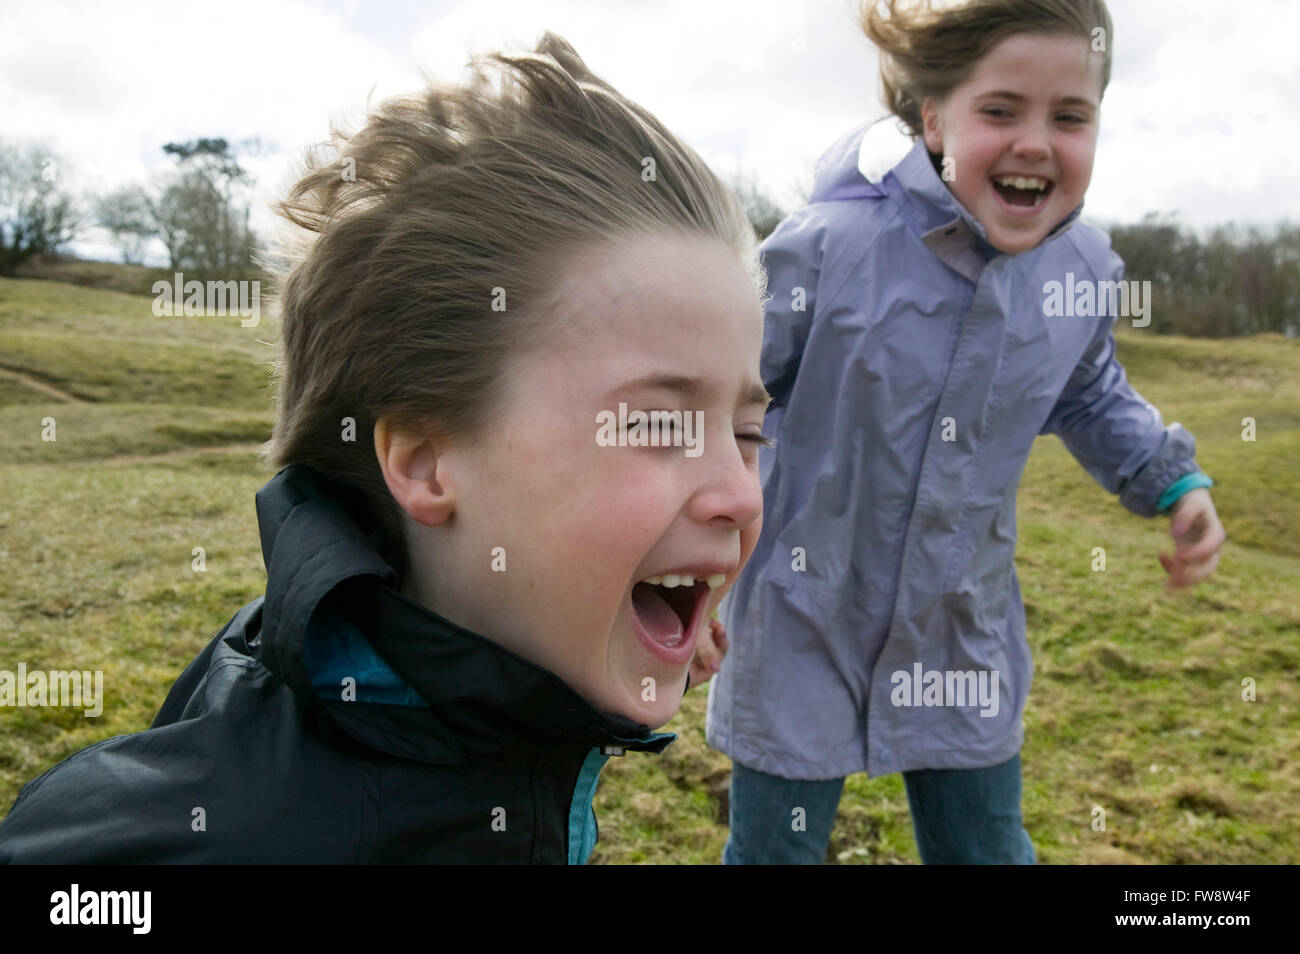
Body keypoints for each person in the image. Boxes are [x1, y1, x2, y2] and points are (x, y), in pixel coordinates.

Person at [0, 33, 758, 864]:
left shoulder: (365, 654)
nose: (742, 493)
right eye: (655, 425)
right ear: (426, 462)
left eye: (748, 432)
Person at [707, 0, 1226, 865]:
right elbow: (728, 392)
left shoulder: (1081, 274)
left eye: (1069, 116)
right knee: (773, 853)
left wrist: (1173, 481)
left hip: (961, 626)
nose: (1035, 141)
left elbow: (1091, 394)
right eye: (1000, 110)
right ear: (933, 117)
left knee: (986, 849)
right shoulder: (830, 246)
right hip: (803, 612)